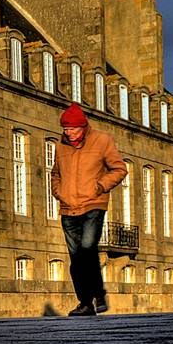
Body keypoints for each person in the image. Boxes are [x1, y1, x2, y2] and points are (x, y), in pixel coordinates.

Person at [49, 104, 127, 316]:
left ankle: (98, 294)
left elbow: (119, 169)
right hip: (68, 207)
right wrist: (58, 192)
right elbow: (55, 173)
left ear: (83, 126)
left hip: (93, 204)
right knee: (76, 259)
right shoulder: (60, 146)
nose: (68, 133)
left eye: (72, 129)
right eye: (65, 129)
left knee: (86, 249)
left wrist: (100, 186)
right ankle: (86, 302)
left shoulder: (102, 141)